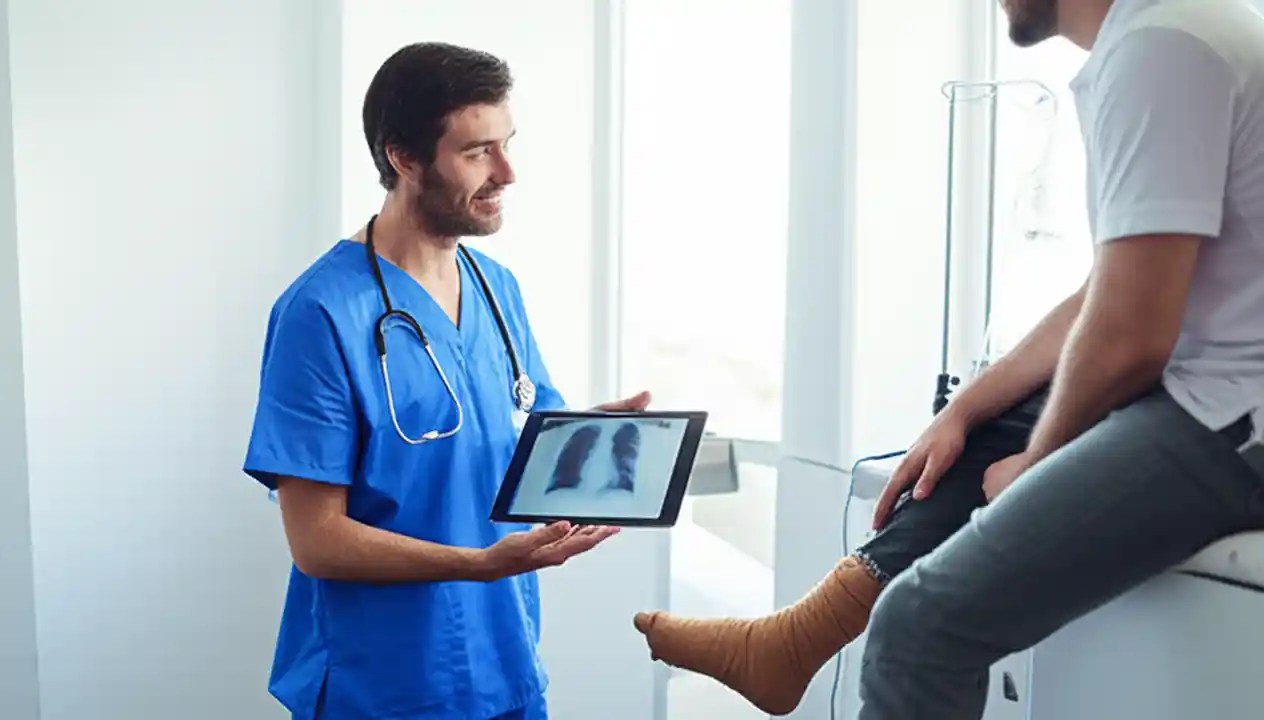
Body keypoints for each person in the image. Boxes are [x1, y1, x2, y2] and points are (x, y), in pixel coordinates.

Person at [632, 0, 1264, 717]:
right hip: (1222, 394)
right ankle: (800, 637)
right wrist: (964, 407)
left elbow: (1129, 335)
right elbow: (1108, 293)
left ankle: (798, 638)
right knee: (992, 420)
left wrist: (1037, 467)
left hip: (1237, 424)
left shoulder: (1163, 49)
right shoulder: (1176, 28)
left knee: (919, 627)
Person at [243, 42, 649, 720]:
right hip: (382, 686)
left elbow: (515, 445)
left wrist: (581, 443)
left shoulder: (498, 290)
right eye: (477, 152)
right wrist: (482, 563)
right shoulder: (320, 314)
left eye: (507, 144)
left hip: (507, 665)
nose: (507, 172)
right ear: (403, 159)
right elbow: (317, 541)